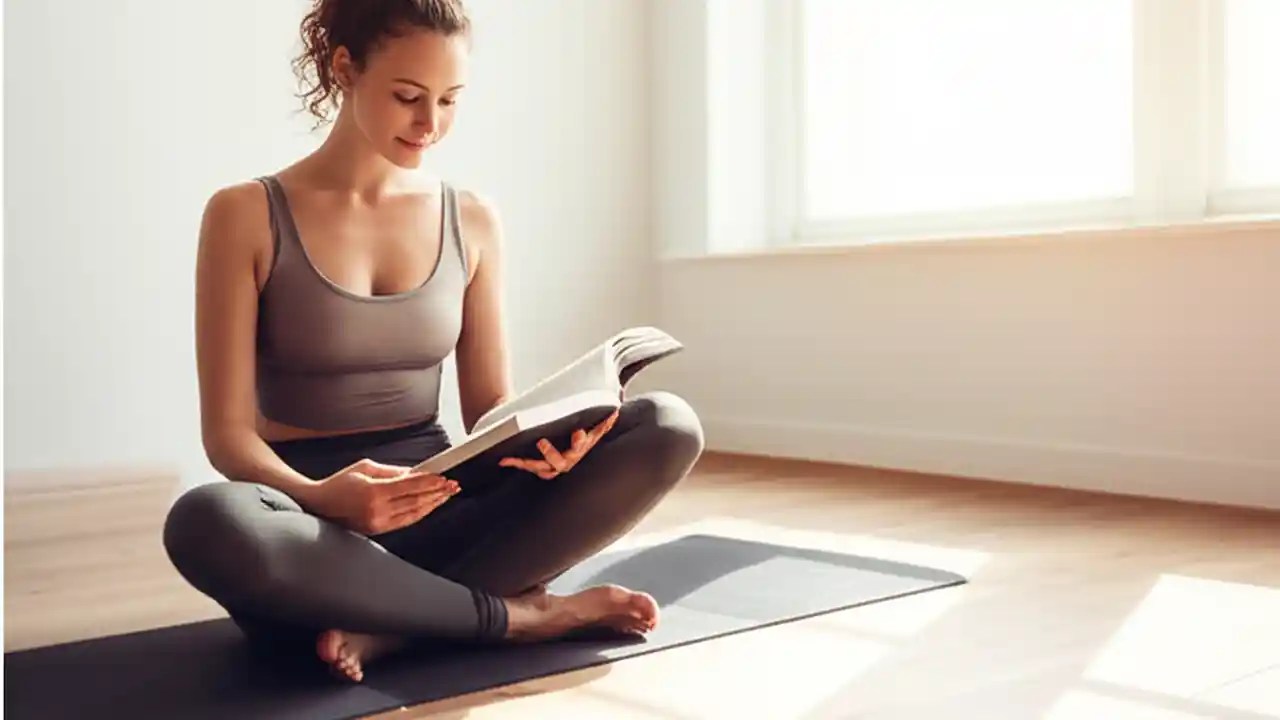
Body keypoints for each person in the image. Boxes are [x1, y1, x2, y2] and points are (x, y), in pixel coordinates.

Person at [162, 0, 704, 684]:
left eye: (450, 100)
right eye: (409, 97)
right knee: (206, 519)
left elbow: (488, 408)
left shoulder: (471, 218)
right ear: (344, 68)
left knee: (666, 424)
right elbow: (229, 437)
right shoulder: (244, 215)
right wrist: (326, 496)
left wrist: (554, 441)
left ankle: (398, 628)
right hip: (313, 526)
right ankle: (520, 618)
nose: (431, 124)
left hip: (446, 503)